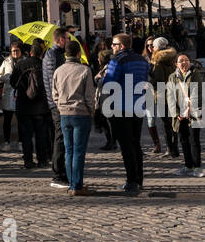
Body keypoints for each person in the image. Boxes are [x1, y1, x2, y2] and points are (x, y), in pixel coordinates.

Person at [102, 33, 151, 195]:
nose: (112, 47)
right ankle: (139, 179)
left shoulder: (117, 60)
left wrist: (99, 78)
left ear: (122, 45)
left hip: (121, 106)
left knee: (126, 145)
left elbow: (109, 84)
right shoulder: (142, 60)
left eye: (114, 44)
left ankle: (131, 181)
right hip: (138, 105)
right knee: (136, 143)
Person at [52, 40, 95, 195]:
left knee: (68, 150)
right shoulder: (84, 70)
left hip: (64, 114)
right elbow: (89, 96)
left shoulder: (58, 71)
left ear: (65, 54)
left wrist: (61, 106)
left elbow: (54, 94)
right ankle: (77, 185)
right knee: (78, 151)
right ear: (78, 53)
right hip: (80, 113)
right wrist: (91, 111)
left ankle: (72, 184)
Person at [10, 41, 50, 169]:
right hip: (40, 106)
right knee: (40, 135)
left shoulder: (20, 64)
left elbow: (12, 83)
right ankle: (42, 160)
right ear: (41, 54)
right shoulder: (44, 65)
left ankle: (28, 160)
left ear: (30, 53)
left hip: (23, 104)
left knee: (26, 135)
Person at [166, 54, 205, 177]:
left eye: (186, 60)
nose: (184, 63)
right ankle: (188, 166)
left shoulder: (195, 74)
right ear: (176, 64)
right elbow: (170, 97)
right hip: (179, 115)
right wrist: (176, 113)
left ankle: (197, 167)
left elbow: (197, 93)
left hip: (193, 114)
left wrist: (190, 109)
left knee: (194, 140)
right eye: (181, 61)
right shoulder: (172, 77)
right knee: (183, 140)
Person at [42, 28, 68, 190]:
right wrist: (58, 103)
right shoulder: (52, 56)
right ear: (60, 40)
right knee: (60, 137)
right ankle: (57, 174)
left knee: (62, 136)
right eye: (67, 38)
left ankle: (62, 171)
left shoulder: (58, 55)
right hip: (57, 104)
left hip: (59, 103)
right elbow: (54, 82)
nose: (69, 41)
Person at [149, 37, 179, 158]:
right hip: (173, 94)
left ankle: (170, 149)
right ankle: (174, 148)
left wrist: (150, 79)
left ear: (158, 48)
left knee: (166, 124)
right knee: (173, 122)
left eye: (154, 46)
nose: (152, 49)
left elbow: (158, 80)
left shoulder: (158, 61)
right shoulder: (172, 58)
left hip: (162, 95)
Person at [0, 42, 22, 148]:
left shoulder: (24, 61)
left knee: (21, 121)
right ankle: (7, 142)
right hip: (8, 94)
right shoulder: (6, 61)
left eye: (17, 50)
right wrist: (6, 78)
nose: (15, 53)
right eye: (13, 51)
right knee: (7, 120)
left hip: (20, 94)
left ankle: (21, 142)